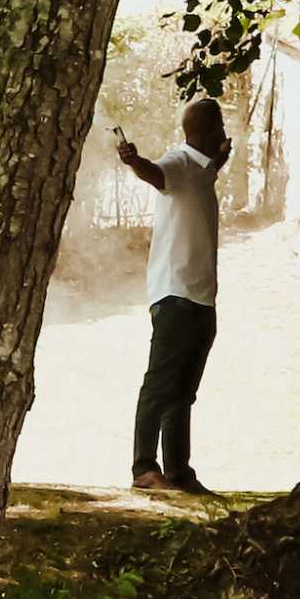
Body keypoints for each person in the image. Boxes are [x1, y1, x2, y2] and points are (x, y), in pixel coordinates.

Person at [115, 94, 229, 497]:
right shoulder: (178, 163)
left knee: (183, 392)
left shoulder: (203, 170)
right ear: (209, 132)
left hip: (201, 298)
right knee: (160, 384)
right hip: (175, 295)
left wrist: (220, 160)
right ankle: (145, 467)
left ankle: (179, 472)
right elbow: (156, 174)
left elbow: (203, 174)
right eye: (220, 127)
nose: (225, 134)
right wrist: (134, 161)